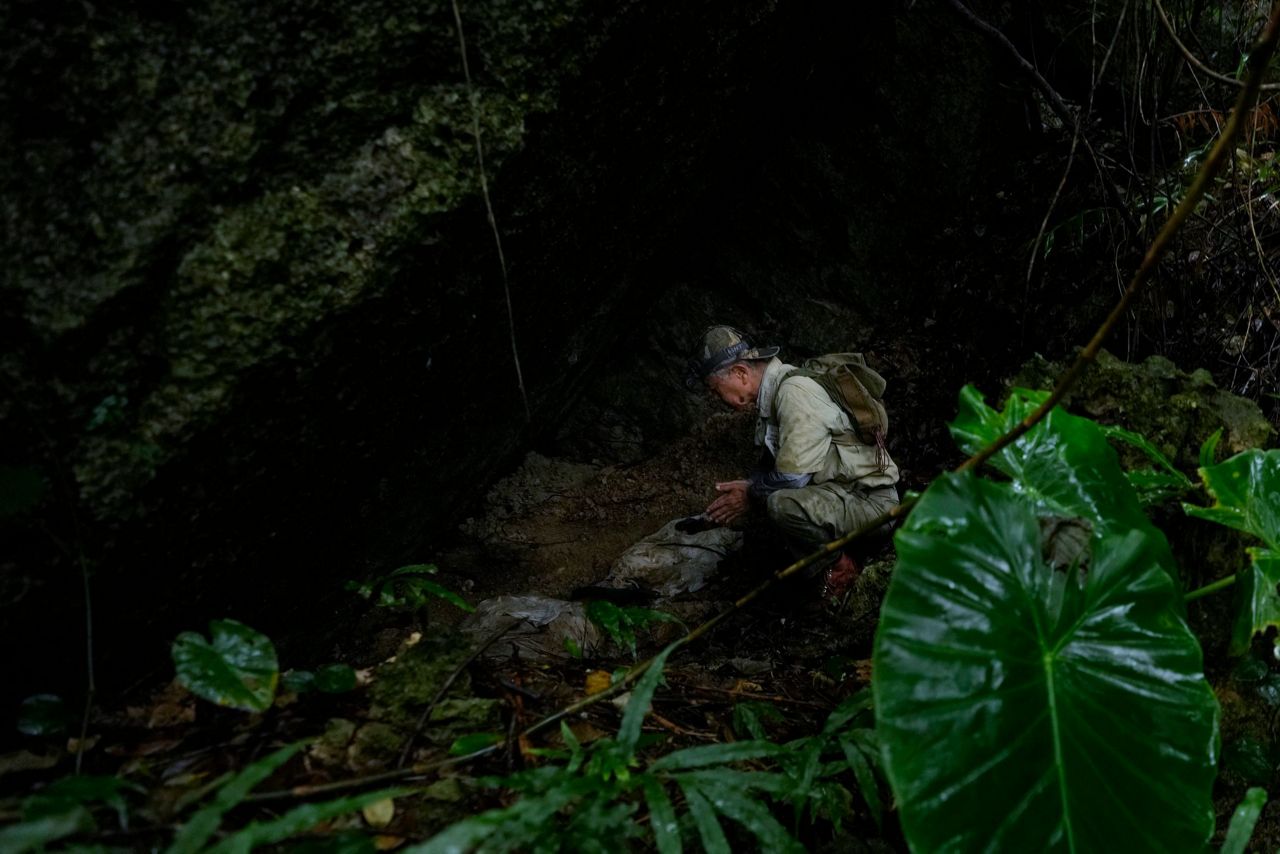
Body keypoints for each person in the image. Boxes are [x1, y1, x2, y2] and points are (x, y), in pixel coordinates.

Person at [686, 325, 900, 597]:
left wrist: (750, 493)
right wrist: (750, 485)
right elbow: (775, 467)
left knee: (780, 503)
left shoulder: (793, 393)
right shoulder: (775, 397)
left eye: (716, 391)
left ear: (740, 373)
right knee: (772, 500)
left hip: (872, 506)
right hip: (845, 496)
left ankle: (840, 568)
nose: (718, 399)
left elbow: (792, 479)